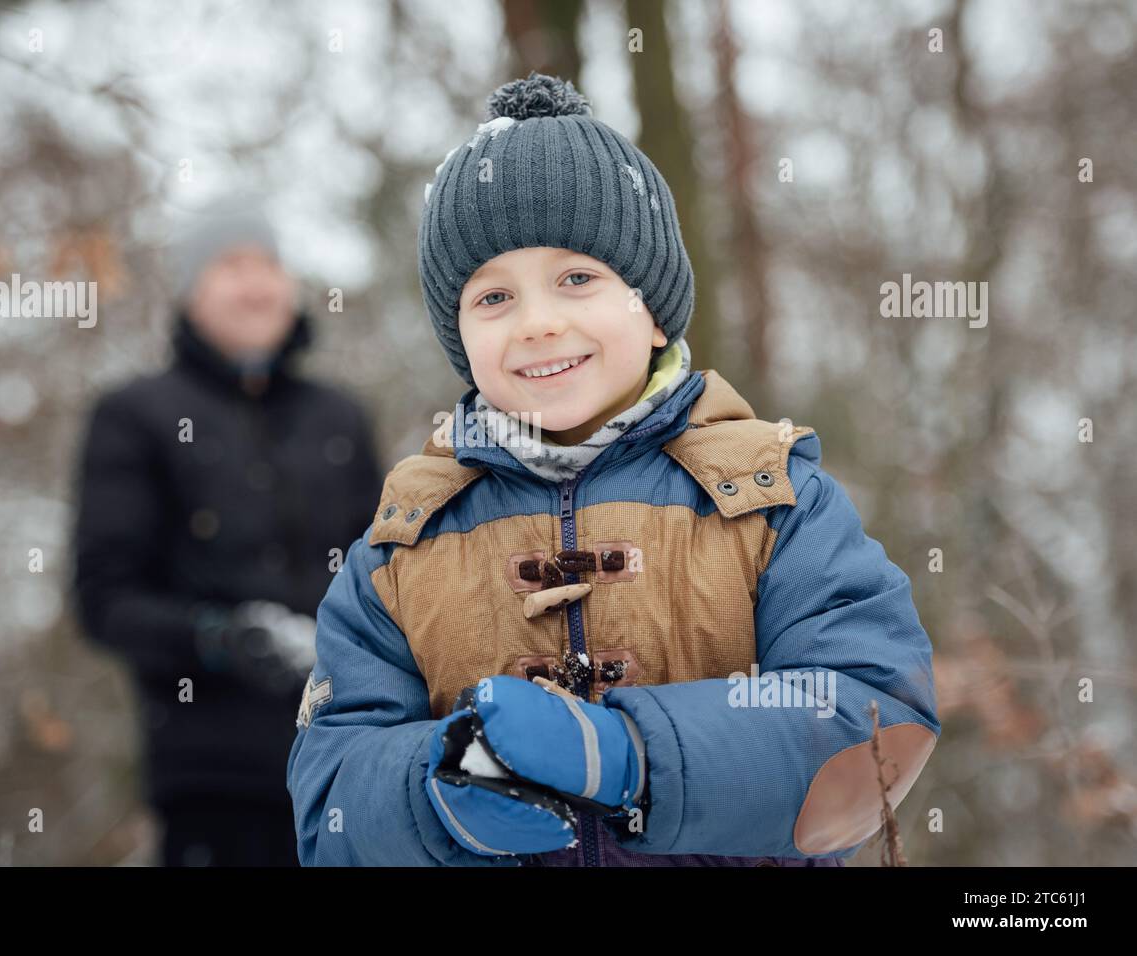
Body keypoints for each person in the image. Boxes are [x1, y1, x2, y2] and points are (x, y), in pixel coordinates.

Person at [287, 73, 940, 867]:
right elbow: (330, 796)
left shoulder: (773, 501)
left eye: (577, 278)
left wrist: (631, 755)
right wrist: (436, 795)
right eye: (492, 298)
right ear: (458, 337)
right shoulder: (403, 548)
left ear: (654, 307)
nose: (537, 323)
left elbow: (874, 719)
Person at [73, 197, 383, 866]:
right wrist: (220, 639)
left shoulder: (341, 417)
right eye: (231, 264)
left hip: (353, 767)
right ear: (190, 291)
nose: (257, 283)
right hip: (213, 785)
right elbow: (105, 600)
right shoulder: (135, 416)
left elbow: (388, 575)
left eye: (269, 263)